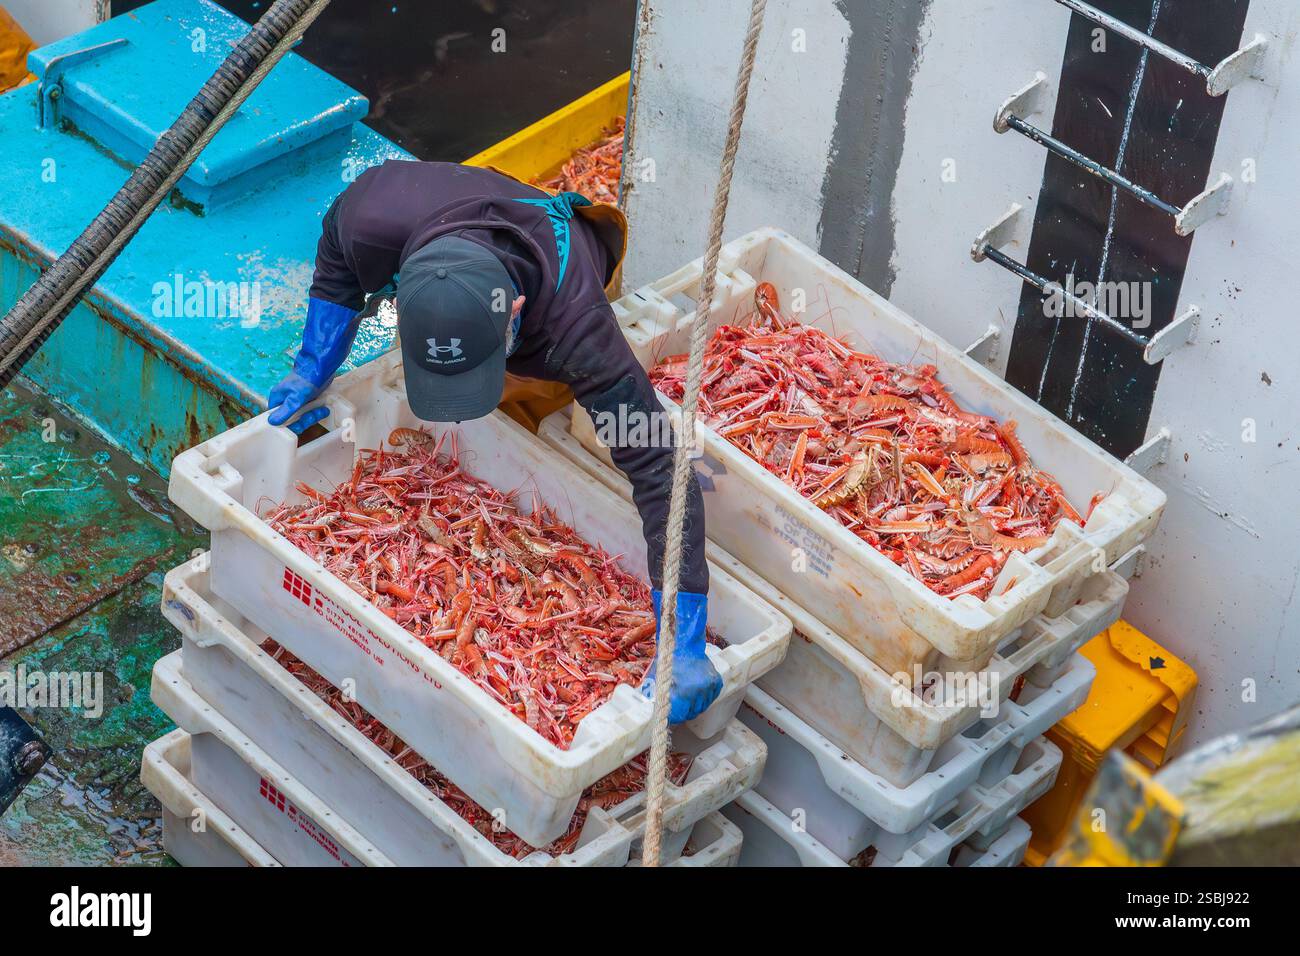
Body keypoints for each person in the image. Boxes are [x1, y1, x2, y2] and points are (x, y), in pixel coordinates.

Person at [267, 160, 719, 723]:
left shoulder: (579, 333)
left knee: (544, 413)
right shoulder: (369, 216)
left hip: (566, 260)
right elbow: (336, 258)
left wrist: (684, 637)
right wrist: (313, 364)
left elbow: (659, 467)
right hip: (458, 217)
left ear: (517, 314)